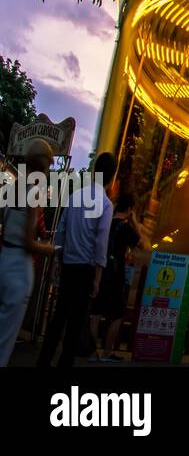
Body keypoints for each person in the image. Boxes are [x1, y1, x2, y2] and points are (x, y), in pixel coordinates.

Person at [38, 152, 117, 368]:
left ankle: (43, 360)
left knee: (59, 315)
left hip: (68, 264)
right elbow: (101, 241)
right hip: (86, 269)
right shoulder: (106, 204)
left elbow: (61, 229)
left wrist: (57, 259)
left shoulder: (76, 196)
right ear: (112, 176)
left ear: (93, 172)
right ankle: (65, 362)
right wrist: (98, 276)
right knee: (75, 321)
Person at [0, 139, 57, 366]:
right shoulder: (35, 193)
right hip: (19, 270)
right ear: (43, 166)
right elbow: (29, 243)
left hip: (4, 260)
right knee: (5, 341)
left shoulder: (14, 187)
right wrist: (52, 249)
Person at [89, 191, 141, 362]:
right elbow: (141, 243)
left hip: (99, 271)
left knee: (95, 314)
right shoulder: (125, 228)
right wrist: (133, 222)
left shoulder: (106, 223)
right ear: (131, 209)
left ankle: (91, 352)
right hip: (115, 275)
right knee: (117, 316)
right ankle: (106, 353)